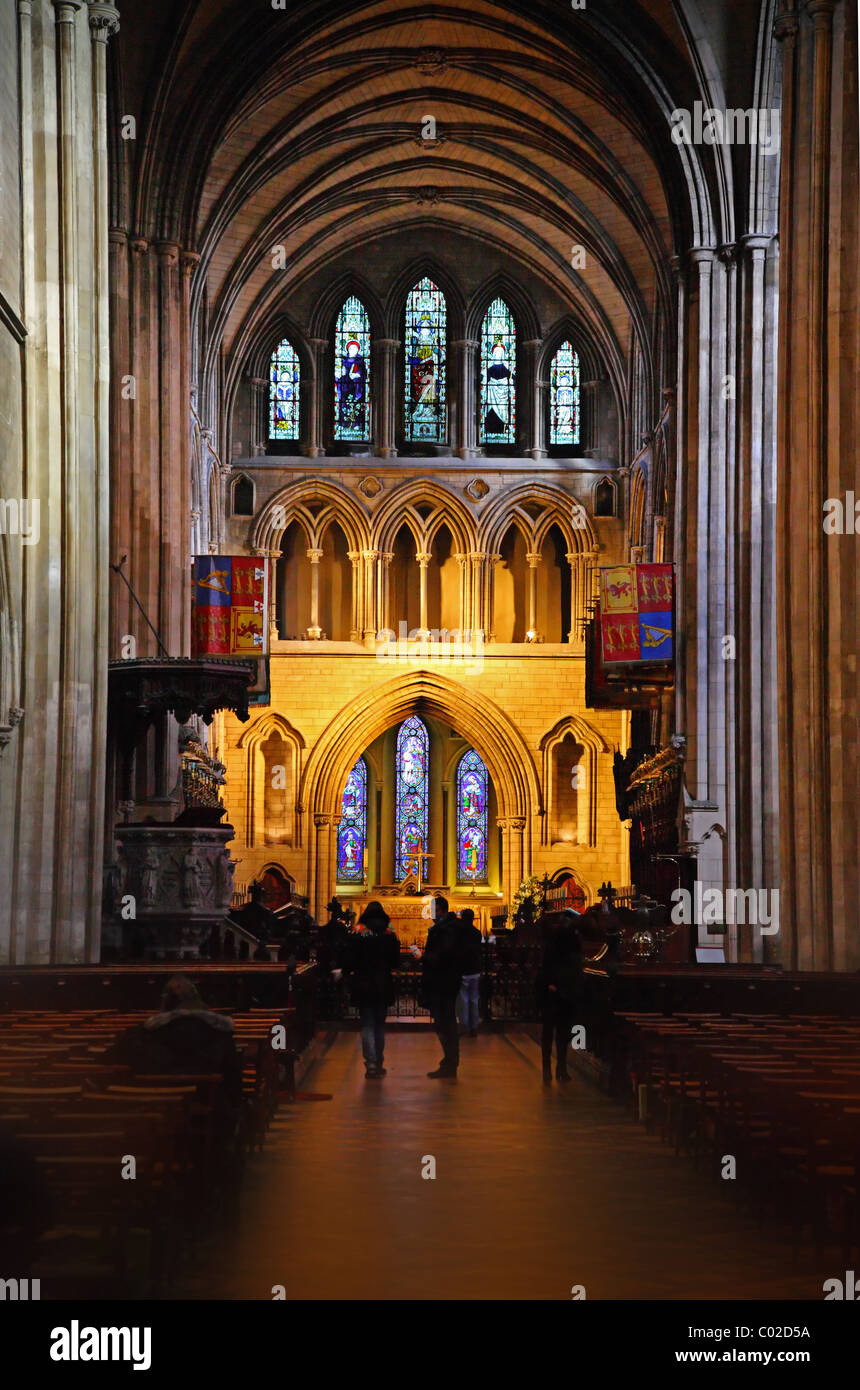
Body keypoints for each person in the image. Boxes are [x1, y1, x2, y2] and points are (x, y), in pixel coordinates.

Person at [107, 975, 243, 1106]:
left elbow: (115, 1064)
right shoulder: (219, 1033)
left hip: (151, 1103)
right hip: (205, 1102)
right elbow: (233, 1081)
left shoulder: (143, 1034)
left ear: (165, 1003)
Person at [344, 901, 401, 1079]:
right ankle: (379, 1061)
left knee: (367, 1024)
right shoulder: (389, 932)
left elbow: (350, 958)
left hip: (363, 983)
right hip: (382, 983)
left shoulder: (358, 932)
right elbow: (395, 960)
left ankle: (370, 1064)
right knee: (379, 1025)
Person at [536, 913, 584, 1084]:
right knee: (562, 1033)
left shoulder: (552, 942)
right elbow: (576, 966)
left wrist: (550, 983)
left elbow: (545, 966)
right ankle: (560, 1068)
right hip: (564, 991)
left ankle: (549, 1069)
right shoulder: (572, 942)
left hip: (554, 991)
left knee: (550, 1033)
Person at [420, 896, 464, 1078]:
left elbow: (444, 956)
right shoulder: (445, 928)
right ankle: (449, 1062)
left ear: (443, 910)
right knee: (444, 1024)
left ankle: (450, 1063)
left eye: (435, 911)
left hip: (444, 983)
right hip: (442, 982)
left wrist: (423, 957)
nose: (432, 915)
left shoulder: (447, 929)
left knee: (446, 1024)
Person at [455, 907, 483, 1037]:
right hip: (475, 969)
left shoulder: (459, 932)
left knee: (463, 1000)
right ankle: (474, 1027)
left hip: (463, 969)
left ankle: (464, 1026)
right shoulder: (477, 933)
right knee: (474, 999)